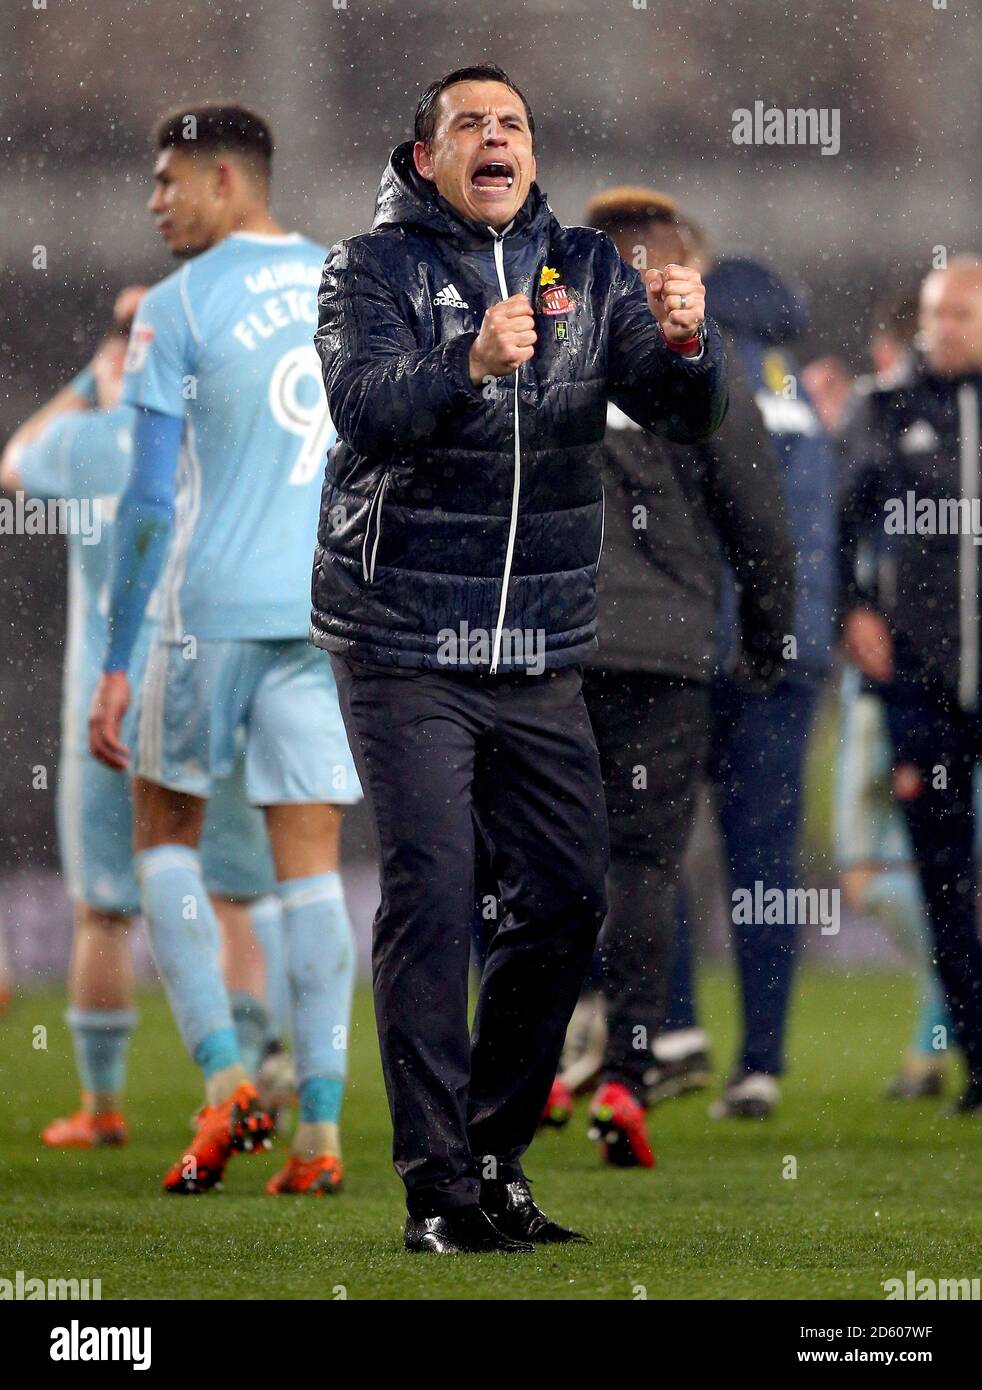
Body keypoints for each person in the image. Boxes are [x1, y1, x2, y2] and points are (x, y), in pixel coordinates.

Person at [312, 64, 727, 1253]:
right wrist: (468, 368)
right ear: (425, 154)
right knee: (436, 897)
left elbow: (678, 413)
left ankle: (494, 1157)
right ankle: (435, 1190)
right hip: (401, 639)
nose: (495, 140)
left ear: (533, 156)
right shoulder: (367, 268)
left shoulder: (588, 271)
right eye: (469, 126)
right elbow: (362, 409)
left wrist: (690, 349)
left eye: (514, 126)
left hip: (539, 645)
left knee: (569, 897)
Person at [88, 103, 362, 1192]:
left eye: (167, 182)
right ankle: (323, 1133)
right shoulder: (348, 282)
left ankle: (222, 1080)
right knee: (311, 873)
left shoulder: (175, 305)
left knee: (164, 834)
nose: (155, 203)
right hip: (323, 612)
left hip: (204, 614)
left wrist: (117, 656)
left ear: (223, 180)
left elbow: (149, 503)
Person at [544, 188, 793, 1166]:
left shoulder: (542, 360)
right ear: (674, 265)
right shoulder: (702, 373)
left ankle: (533, 1063)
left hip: (546, 654)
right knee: (643, 869)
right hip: (662, 660)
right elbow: (760, 524)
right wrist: (766, 644)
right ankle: (626, 1078)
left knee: (539, 868)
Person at [0, 299, 285, 1146]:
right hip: (213, 690)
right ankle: (251, 1077)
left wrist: (90, 379)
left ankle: (101, 1107)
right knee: (234, 898)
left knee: (104, 911)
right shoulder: (220, 440)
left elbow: (12, 463)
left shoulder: (90, 443)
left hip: (107, 704)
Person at [661, 248, 837, 1119]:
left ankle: (675, 1034)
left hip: (695, 650)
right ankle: (761, 1059)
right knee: (765, 864)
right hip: (790, 660)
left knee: (652, 852)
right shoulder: (800, 396)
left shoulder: (698, 377)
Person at [839, 255, 982, 1114]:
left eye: (962, 314)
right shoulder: (886, 408)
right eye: (935, 314)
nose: (943, 329)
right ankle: (976, 1056)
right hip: (923, 686)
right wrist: (851, 607)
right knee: (942, 875)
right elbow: (835, 520)